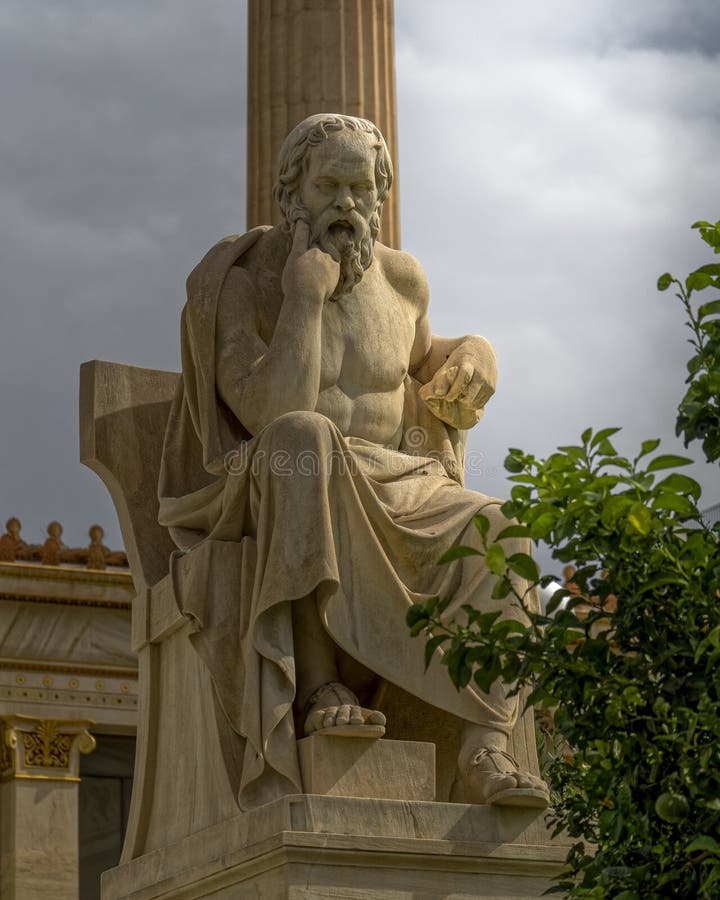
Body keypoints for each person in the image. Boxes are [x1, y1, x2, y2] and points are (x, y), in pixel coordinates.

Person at [159, 113, 548, 811]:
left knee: (505, 527)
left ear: (381, 194)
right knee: (303, 440)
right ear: (292, 189)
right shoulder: (242, 279)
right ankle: (315, 682)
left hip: (403, 480)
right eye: (328, 184)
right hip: (277, 475)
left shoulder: (402, 281)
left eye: (360, 188)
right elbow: (270, 412)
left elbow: (427, 358)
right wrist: (304, 298)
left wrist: (477, 351)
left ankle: (485, 739)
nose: (345, 204)